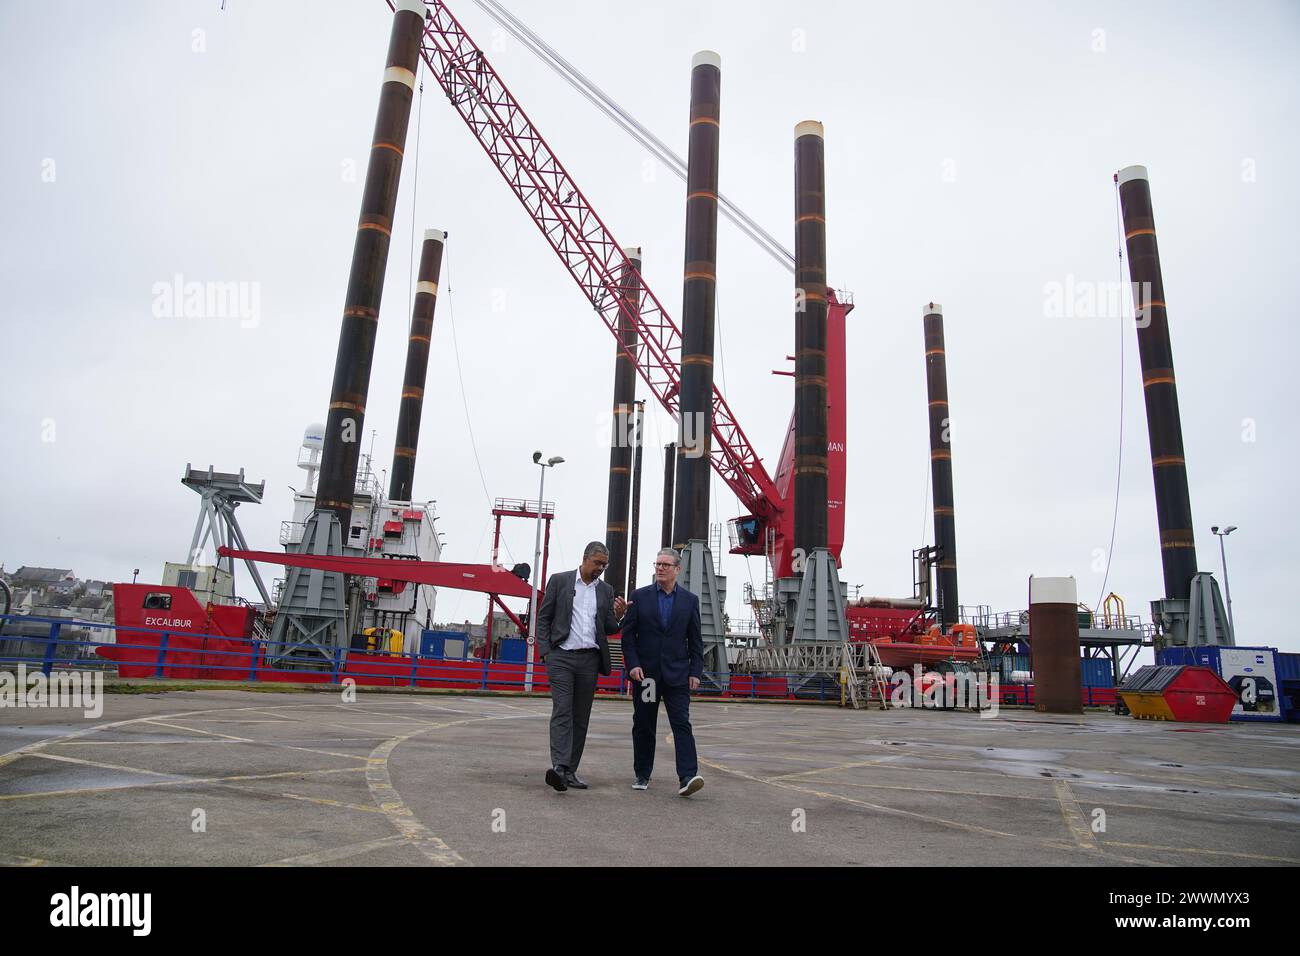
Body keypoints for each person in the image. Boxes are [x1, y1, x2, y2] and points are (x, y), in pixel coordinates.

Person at [536, 541, 627, 792]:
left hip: (590, 659)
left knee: (581, 717)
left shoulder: (605, 591)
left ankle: (570, 771)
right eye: (597, 563)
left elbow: (608, 627)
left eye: (604, 565)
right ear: (585, 559)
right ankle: (559, 767)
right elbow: (544, 618)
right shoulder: (560, 581)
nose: (600, 568)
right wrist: (546, 653)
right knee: (562, 711)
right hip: (562, 657)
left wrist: (618, 616)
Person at [620, 547, 704, 796]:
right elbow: (628, 637)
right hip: (646, 677)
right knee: (644, 724)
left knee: (681, 724)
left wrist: (696, 671)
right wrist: (633, 664)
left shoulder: (690, 601)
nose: (660, 568)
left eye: (665, 565)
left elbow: (695, 640)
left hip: (678, 675)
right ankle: (642, 773)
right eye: (657, 564)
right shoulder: (640, 597)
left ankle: (688, 777)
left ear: (677, 569)